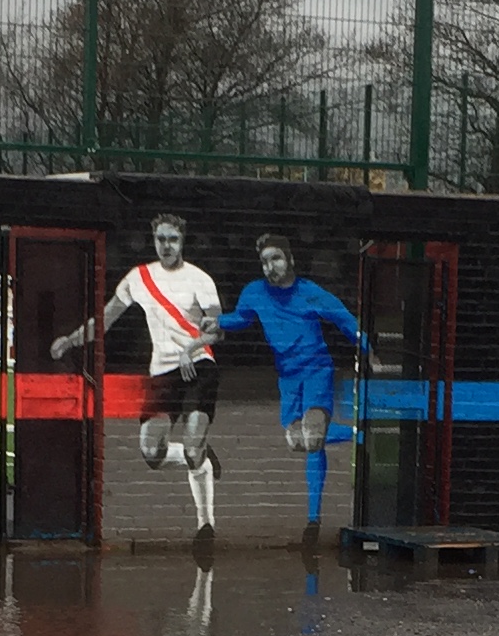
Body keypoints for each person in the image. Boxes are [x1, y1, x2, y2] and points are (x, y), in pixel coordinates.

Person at [52, 212, 223, 533]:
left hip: (199, 364)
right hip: (162, 372)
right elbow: (106, 319)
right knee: (151, 452)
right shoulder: (139, 278)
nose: (167, 245)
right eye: (161, 239)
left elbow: (217, 329)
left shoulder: (200, 279)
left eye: (173, 239)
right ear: (154, 240)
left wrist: (191, 348)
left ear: (182, 241)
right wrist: (72, 340)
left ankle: (205, 523)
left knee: (191, 445)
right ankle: (200, 455)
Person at [211, 232, 366, 540]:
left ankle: (313, 518)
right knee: (298, 441)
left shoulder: (309, 292)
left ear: (290, 259)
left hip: (316, 370)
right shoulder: (254, 292)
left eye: (276, 259)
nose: (270, 266)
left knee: (312, 436)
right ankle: (359, 433)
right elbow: (242, 318)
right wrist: (216, 322)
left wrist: (367, 348)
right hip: (288, 377)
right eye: (265, 261)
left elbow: (345, 319)